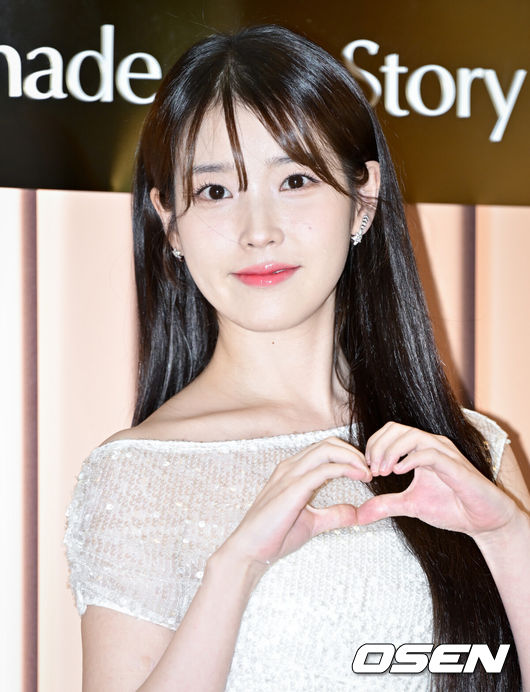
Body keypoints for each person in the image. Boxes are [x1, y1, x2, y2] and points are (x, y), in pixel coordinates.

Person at [64, 24, 530, 691]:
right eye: (216, 192)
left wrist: (509, 536)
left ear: (363, 199)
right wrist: (236, 568)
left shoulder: (471, 449)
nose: (259, 231)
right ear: (169, 221)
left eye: (295, 180)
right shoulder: (137, 477)